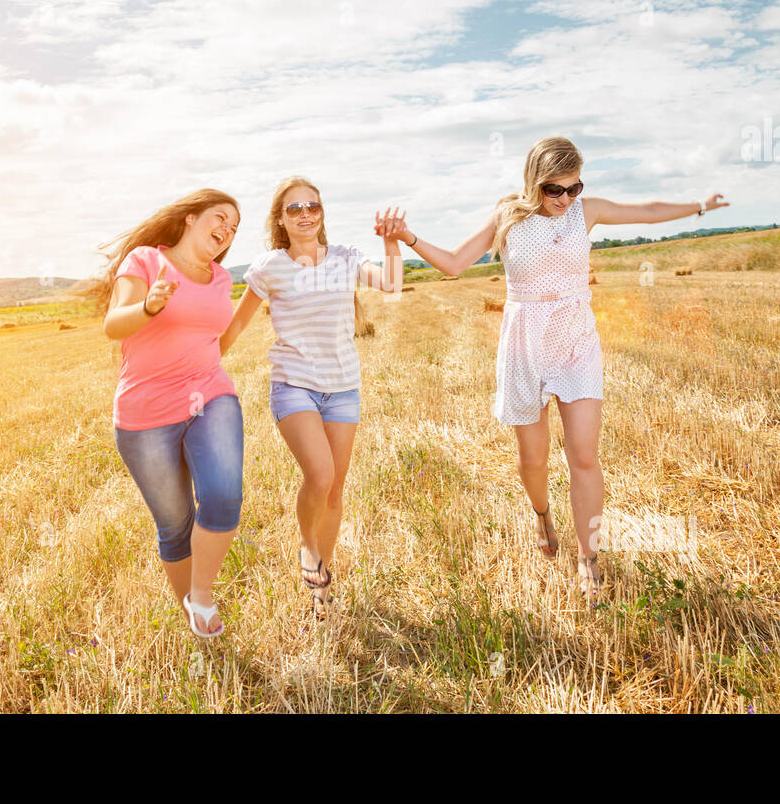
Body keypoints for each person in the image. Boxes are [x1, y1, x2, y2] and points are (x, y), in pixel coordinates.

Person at [374, 137, 728, 598]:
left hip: (576, 338)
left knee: (584, 455)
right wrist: (408, 238)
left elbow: (647, 210)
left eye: (573, 188)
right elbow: (456, 264)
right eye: (553, 190)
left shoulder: (587, 211)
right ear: (533, 183)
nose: (565, 199)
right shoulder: (507, 216)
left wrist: (699, 206)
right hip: (524, 343)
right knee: (533, 460)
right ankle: (542, 513)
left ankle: (589, 558)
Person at [221, 177, 403, 618]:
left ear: (321, 212)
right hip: (294, 383)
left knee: (335, 491)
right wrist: (198, 364)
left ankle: (321, 590)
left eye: (312, 206)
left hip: (343, 387)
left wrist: (393, 242)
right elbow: (237, 325)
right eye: (294, 208)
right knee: (319, 475)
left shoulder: (345, 259)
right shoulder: (269, 267)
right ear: (281, 220)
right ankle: (307, 547)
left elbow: (392, 285)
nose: (305, 213)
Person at [86, 189, 243, 638]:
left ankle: (203, 594)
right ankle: (193, 612)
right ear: (191, 219)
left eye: (234, 227)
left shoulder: (220, 277)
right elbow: (114, 325)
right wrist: (151, 305)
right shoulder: (144, 261)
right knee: (175, 525)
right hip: (145, 412)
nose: (227, 230)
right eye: (220, 218)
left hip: (210, 395)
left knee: (223, 495)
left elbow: (214, 334)